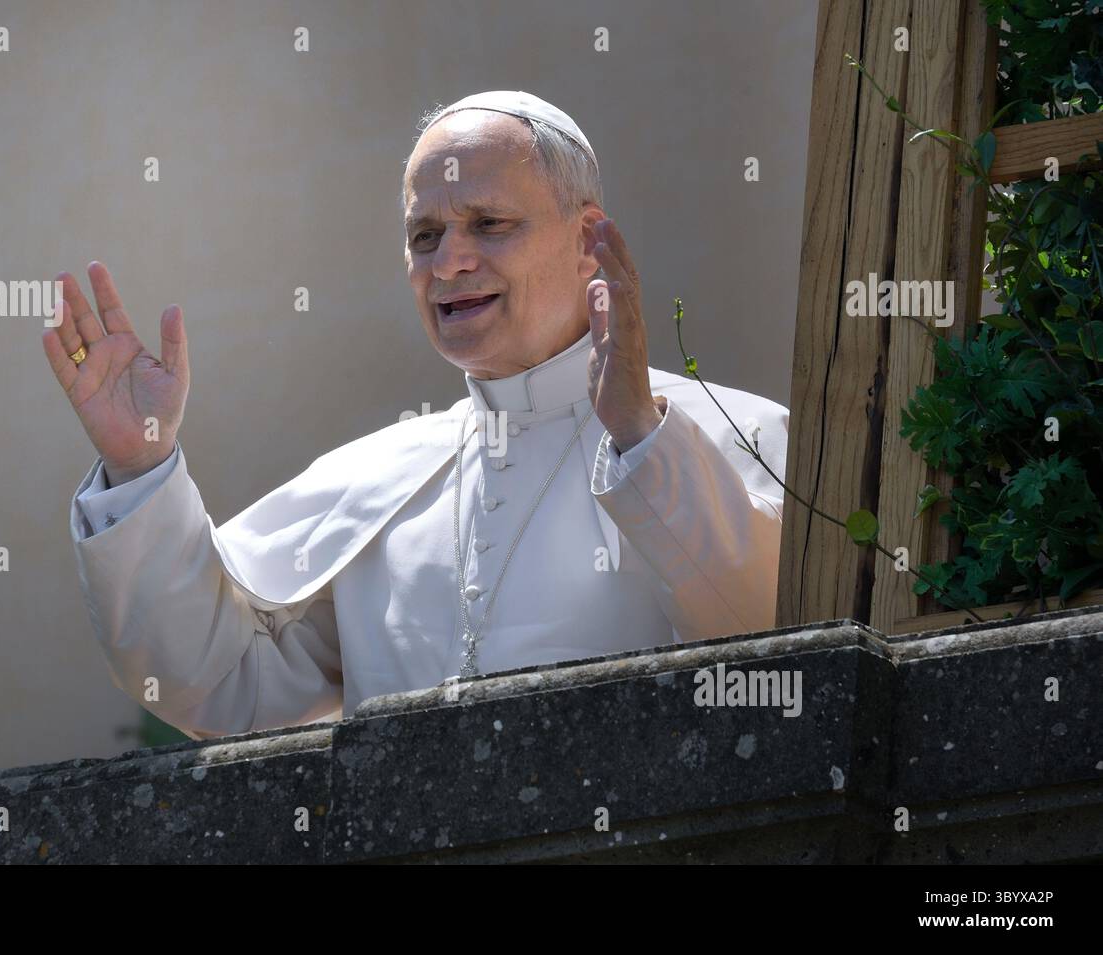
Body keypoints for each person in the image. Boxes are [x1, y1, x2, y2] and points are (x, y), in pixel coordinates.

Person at [40, 90, 789, 741]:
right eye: (424, 236)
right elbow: (219, 687)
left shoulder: (733, 430)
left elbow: (774, 644)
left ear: (588, 239)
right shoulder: (380, 474)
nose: (448, 261)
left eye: (489, 223)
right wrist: (141, 467)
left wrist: (642, 437)